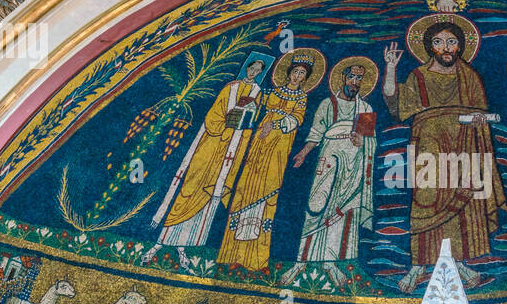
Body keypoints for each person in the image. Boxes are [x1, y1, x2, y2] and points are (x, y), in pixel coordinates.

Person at [382, 14, 506, 293]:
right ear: (430, 47)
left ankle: (461, 264)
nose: (446, 47)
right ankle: (417, 267)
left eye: (451, 42)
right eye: (439, 42)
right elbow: (395, 105)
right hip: (430, 145)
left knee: (466, 205)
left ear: (460, 46)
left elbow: (482, 112)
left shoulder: (470, 76)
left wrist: (479, 120)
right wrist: (390, 68)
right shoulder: (418, 76)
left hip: (465, 142)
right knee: (426, 201)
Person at [142, 53, 271, 266]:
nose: (254, 73)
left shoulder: (258, 93)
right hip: (211, 146)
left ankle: (183, 248)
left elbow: (252, 122)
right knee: (190, 189)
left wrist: (247, 119)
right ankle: (159, 243)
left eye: (258, 71)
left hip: (232, 151)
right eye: (252, 69)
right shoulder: (230, 88)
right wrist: (229, 122)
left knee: (211, 196)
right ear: (246, 68)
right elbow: (213, 117)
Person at [216, 48, 325, 271]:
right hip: (258, 146)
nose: (297, 76)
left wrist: (273, 124)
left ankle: (256, 260)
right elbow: (252, 108)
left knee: (267, 197)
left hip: (278, 150)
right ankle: (231, 255)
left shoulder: (301, 98)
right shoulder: (270, 92)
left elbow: (296, 120)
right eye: (295, 71)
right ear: (288, 72)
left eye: (302, 73)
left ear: (306, 78)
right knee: (245, 192)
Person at [281, 56, 378, 287]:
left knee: (344, 215)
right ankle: (300, 263)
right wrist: (303, 153)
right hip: (329, 161)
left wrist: (360, 141)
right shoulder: (328, 104)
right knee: (316, 208)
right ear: (343, 78)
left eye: (359, 78)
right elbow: (315, 133)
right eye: (352, 77)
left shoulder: (365, 107)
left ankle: (332, 264)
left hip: (353, 165)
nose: (355, 82)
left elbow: (368, 139)